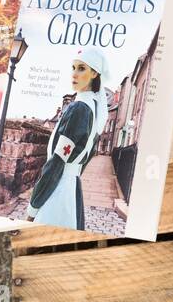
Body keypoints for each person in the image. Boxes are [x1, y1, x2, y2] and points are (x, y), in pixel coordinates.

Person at [26, 47, 110, 231]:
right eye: (73, 67)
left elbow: (56, 162)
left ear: (94, 73)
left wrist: (33, 207)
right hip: (72, 188)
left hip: (58, 191)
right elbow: (86, 158)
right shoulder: (94, 111)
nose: (74, 73)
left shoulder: (78, 109)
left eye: (81, 68)